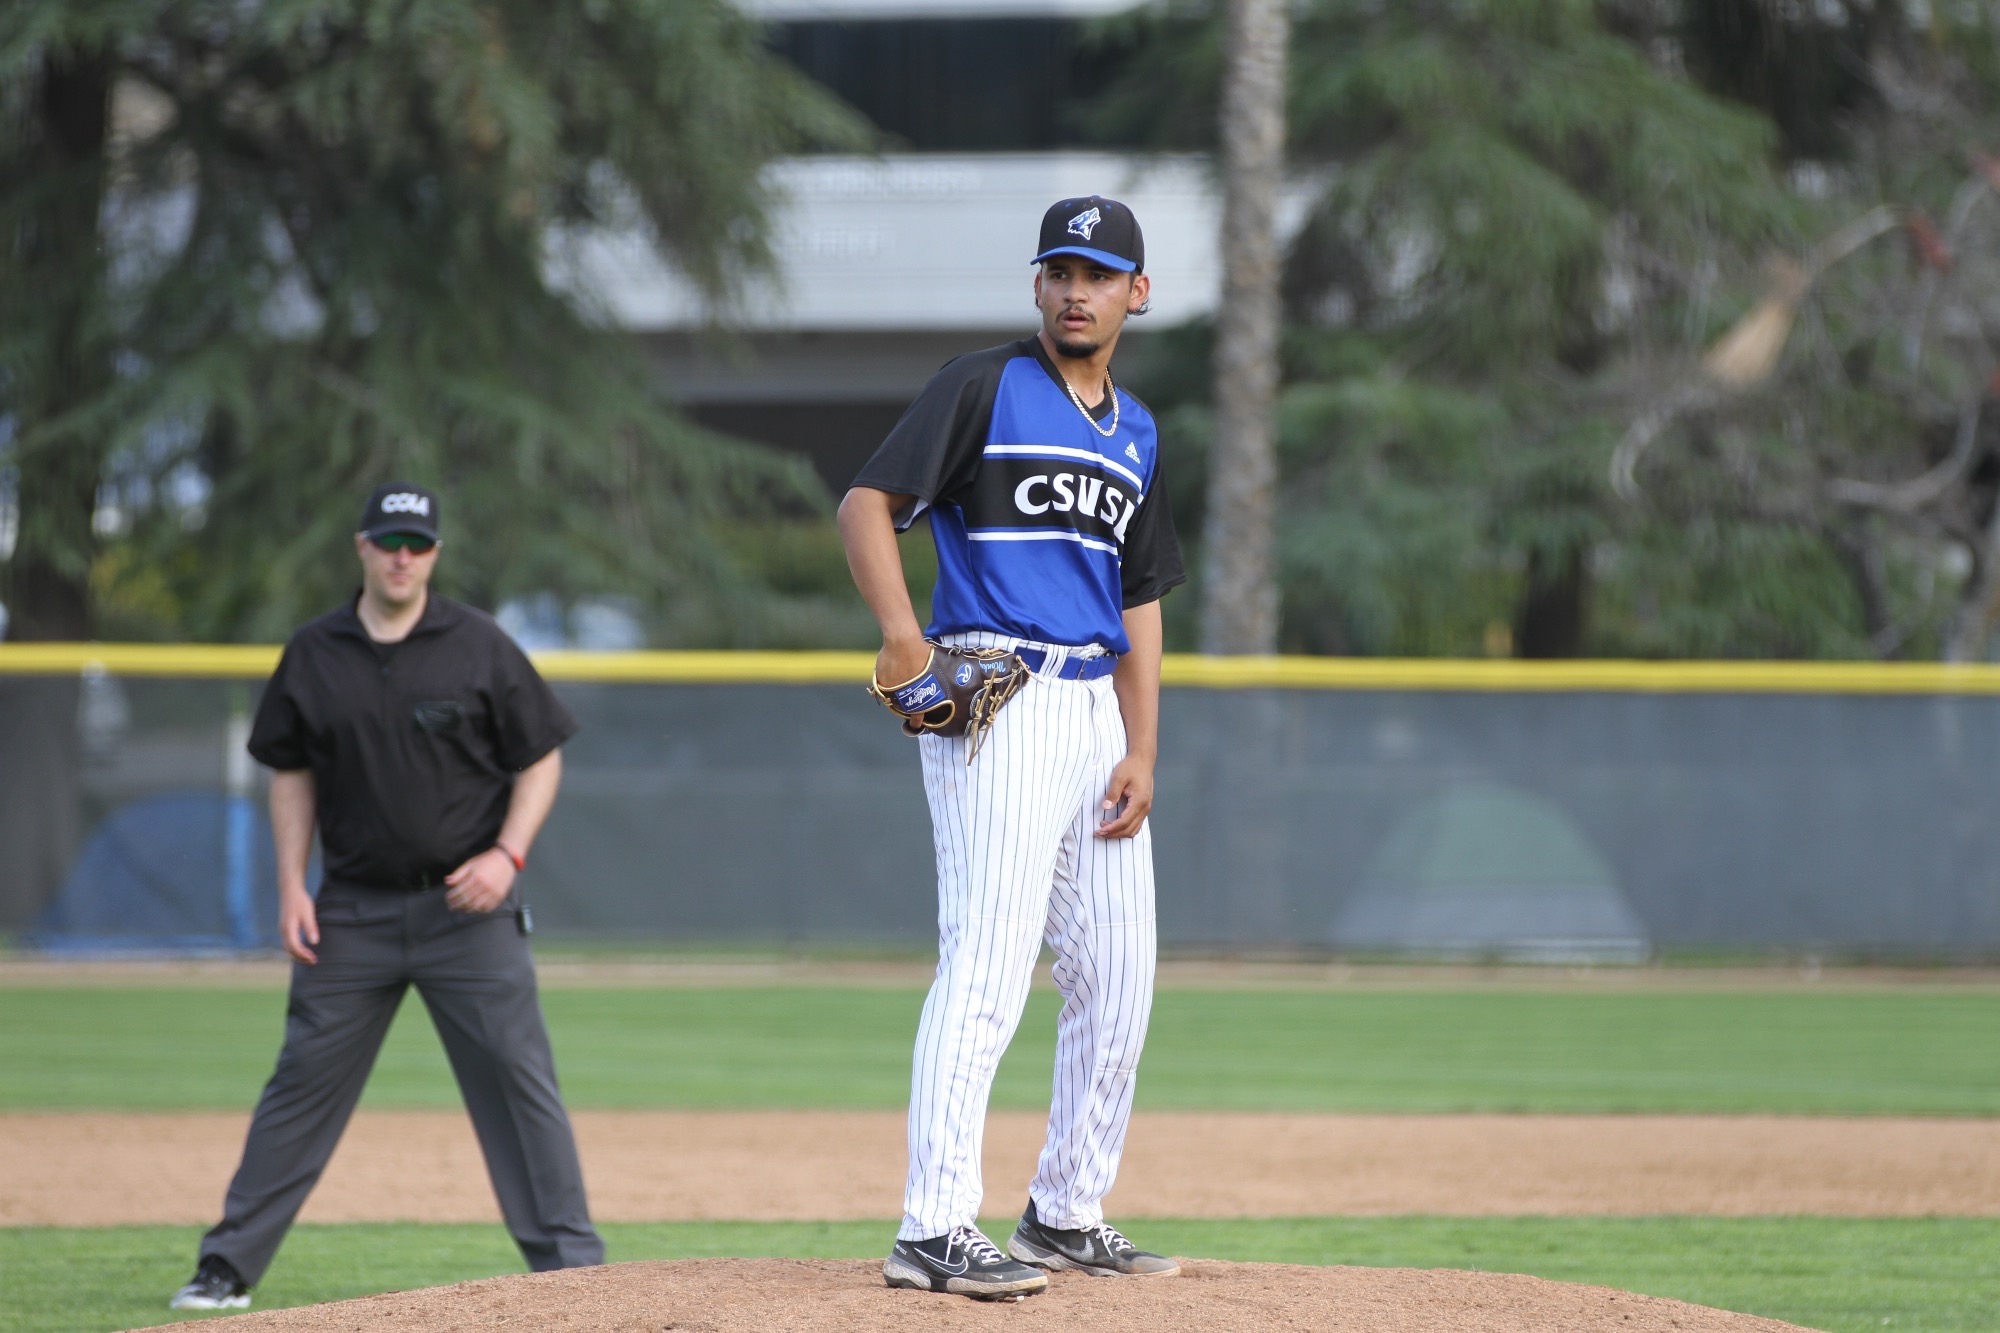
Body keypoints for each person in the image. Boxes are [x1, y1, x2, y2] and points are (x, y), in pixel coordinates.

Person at [838, 196, 1186, 1302]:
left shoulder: (1137, 433)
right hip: (1000, 692)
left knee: (1117, 975)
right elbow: (866, 505)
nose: (1076, 291)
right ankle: (933, 1226)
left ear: (1136, 293)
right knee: (988, 966)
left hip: (1094, 716)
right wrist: (903, 639)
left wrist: (1142, 746)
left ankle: (1065, 1210)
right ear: (1037, 283)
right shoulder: (983, 386)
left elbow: (1139, 600)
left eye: (1099, 274)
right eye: (1060, 271)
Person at [170, 483, 602, 1312]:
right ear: (362, 546)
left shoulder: (478, 643)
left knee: (520, 1085)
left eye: (418, 543)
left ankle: (574, 1272)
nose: (404, 557)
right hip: (352, 912)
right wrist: (291, 885)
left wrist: (507, 855)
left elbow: (540, 756)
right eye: (390, 541)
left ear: (435, 553)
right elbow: (289, 771)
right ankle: (225, 1267)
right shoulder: (314, 651)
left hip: (468, 912)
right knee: (299, 1087)